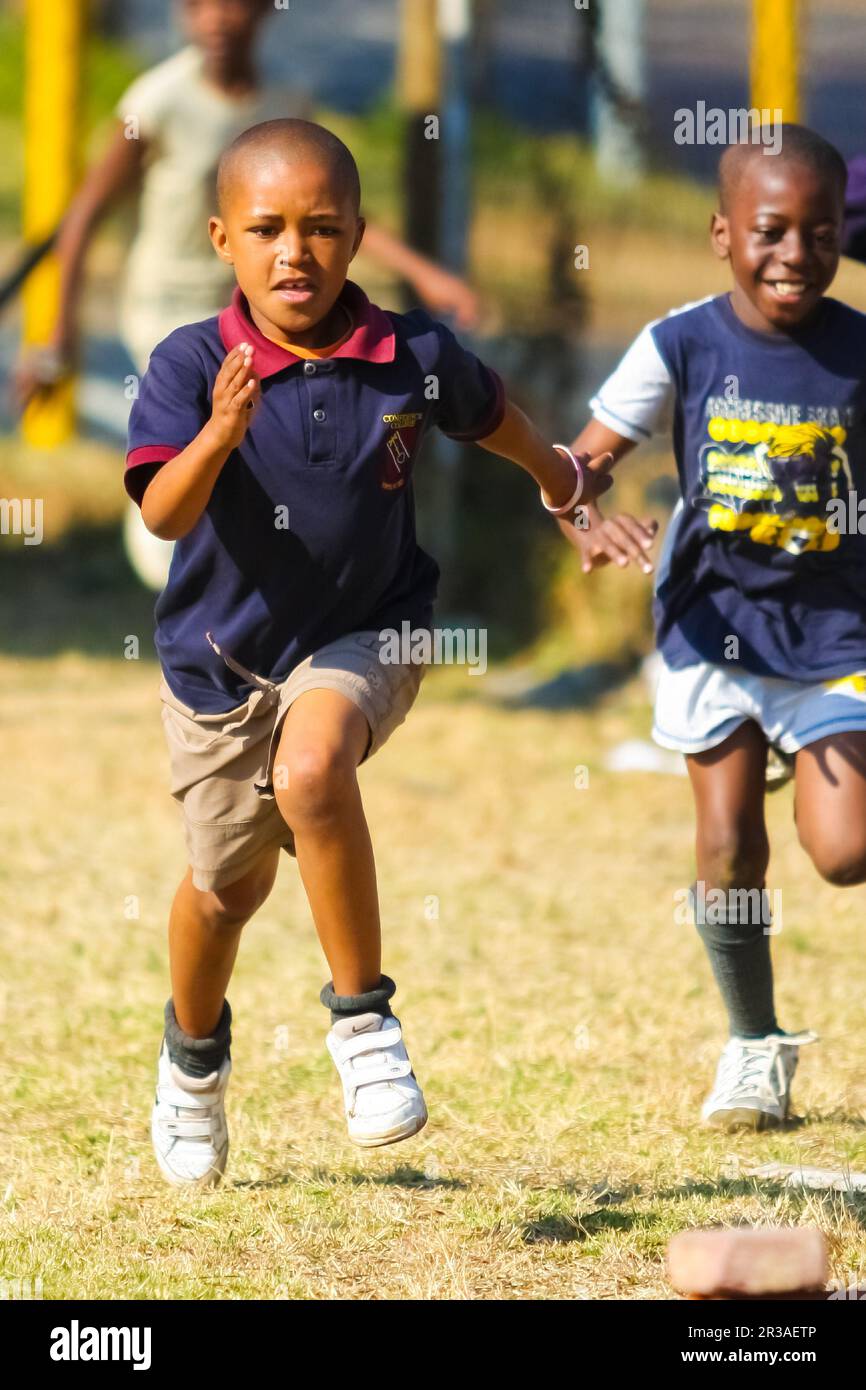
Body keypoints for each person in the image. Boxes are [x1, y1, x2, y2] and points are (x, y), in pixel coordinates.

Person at [126, 117, 612, 1186]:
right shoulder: (190, 362)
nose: (293, 251)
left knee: (312, 767)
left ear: (356, 237)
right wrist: (216, 432)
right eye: (266, 229)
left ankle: (362, 1025)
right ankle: (193, 1061)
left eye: (321, 227)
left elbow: (495, 421)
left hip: (369, 628)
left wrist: (566, 488)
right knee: (223, 890)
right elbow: (163, 516)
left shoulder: (408, 355)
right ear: (221, 237)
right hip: (220, 665)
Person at [563, 124, 866, 1131]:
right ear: (720, 233)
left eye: (817, 234)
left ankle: (810, 753)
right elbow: (584, 458)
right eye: (768, 232)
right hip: (713, 626)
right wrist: (585, 517)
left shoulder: (857, 349)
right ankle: (752, 1045)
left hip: (833, 629)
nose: (793, 257)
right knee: (728, 843)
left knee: (840, 849)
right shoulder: (681, 342)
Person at [14, 0, 481, 590]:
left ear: (263, 12)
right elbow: (83, 216)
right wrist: (60, 335)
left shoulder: (284, 103)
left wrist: (428, 274)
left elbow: (327, 214)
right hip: (170, 305)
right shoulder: (157, 102)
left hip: (258, 306)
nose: (214, 19)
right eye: (196, 6)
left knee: (263, 442)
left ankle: (270, 597)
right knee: (194, 436)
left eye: (230, 5)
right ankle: (178, 572)